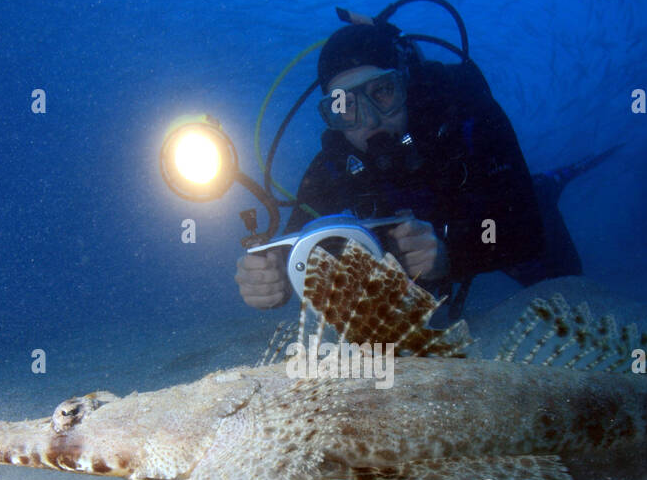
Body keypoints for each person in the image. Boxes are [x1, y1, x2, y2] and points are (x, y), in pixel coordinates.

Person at [235, 21, 586, 315]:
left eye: (382, 92)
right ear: (331, 115)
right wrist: (274, 276)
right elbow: (298, 241)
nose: (370, 120)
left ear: (405, 84)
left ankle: (548, 185)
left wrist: (452, 254)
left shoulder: (465, 118)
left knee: (566, 287)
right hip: (430, 274)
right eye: (345, 105)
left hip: (500, 228)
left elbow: (526, 232)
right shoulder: (336, 162)